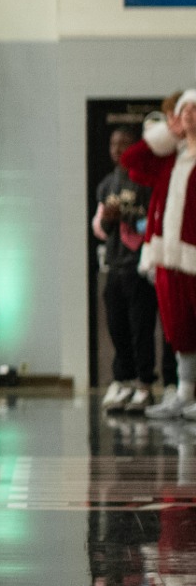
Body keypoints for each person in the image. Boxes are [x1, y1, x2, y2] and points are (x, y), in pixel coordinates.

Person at [128, 95, 196, 421]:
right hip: (169, 258)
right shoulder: (171, 158)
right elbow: (133, 160)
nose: (190, 116)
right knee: (178, 329)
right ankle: (183, 394)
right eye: (186, 110)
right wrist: (169, 133)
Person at [95, 125, 159, 412]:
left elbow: (153, 224)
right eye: (113, 144)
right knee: (116, 326)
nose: (118, 150)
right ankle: (124, 380)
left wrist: (131, 220)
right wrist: (109, 219)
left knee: (140, 328)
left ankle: (146, 384)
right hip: (114, 264)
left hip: (139, 266)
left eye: (124, 144)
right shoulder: (108, 184)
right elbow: (103, 228)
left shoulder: (146, 182)